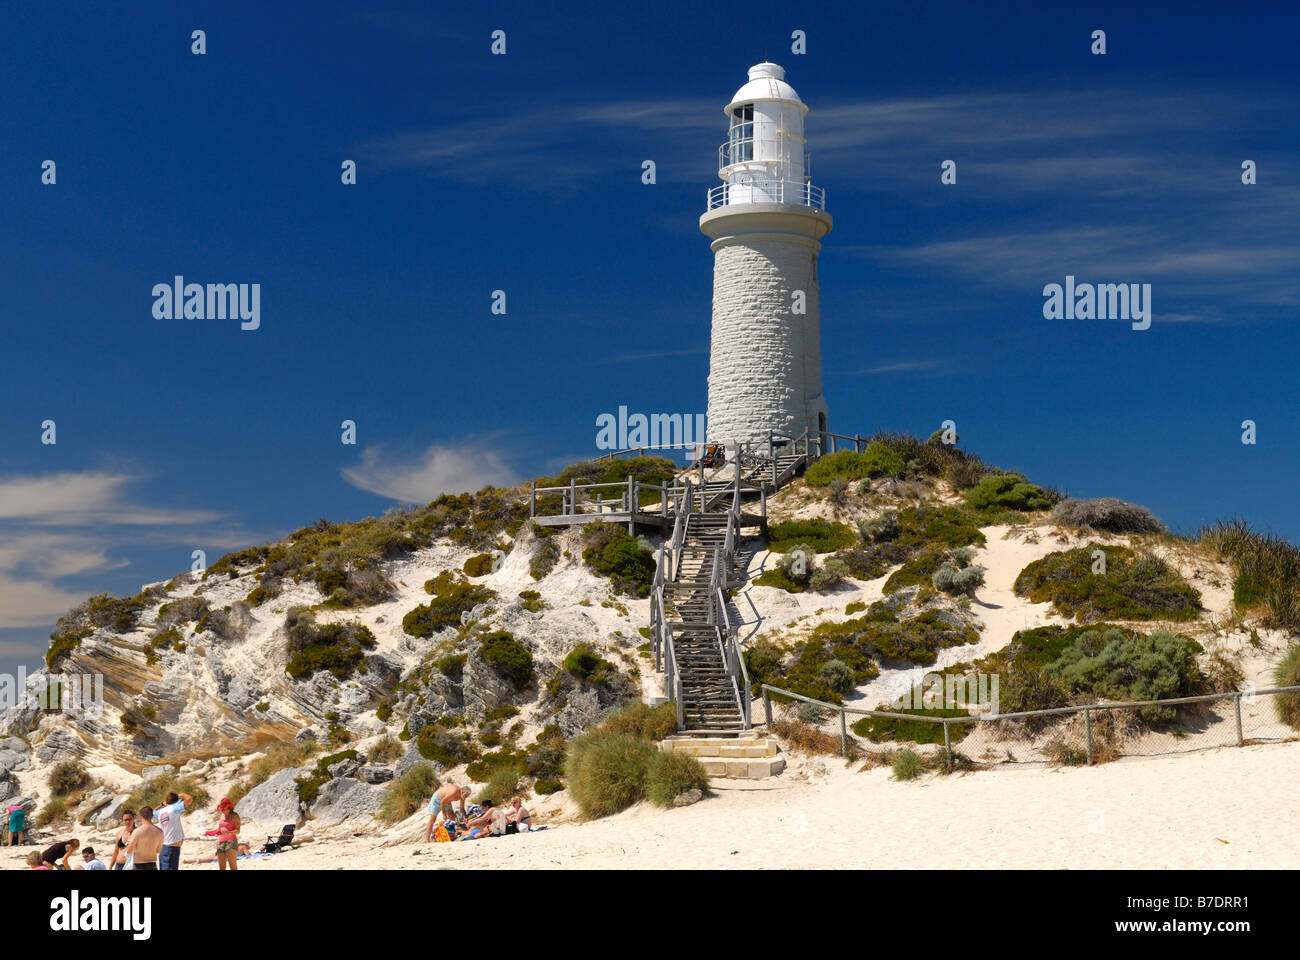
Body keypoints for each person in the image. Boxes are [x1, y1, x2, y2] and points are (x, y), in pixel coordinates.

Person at [152, 790, 192, 871]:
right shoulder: (174, 809)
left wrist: (161, 804)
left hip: (165, 846)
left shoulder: (160, 812)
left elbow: (152, 812)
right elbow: (189, 799)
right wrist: (182, 794)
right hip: (172, 848)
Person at [206, 798, 241, 872]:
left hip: (231, 842)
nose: (222, 811)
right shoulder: (222, 815)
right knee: (222, 867)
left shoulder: (235, 816)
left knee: (233, 867)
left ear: (229, 808)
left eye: (224, 809)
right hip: (221, 842)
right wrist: (211, 833)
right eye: (222, 809)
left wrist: (229, 833)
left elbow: (238, 830)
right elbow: (219, 829)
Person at [183, 841, 250, 865]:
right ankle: (198, 861)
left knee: (207, 858)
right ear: (246, 845)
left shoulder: (235, 845)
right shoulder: (244, 846)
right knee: (208, 860)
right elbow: (248, 855)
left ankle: (187, 861)